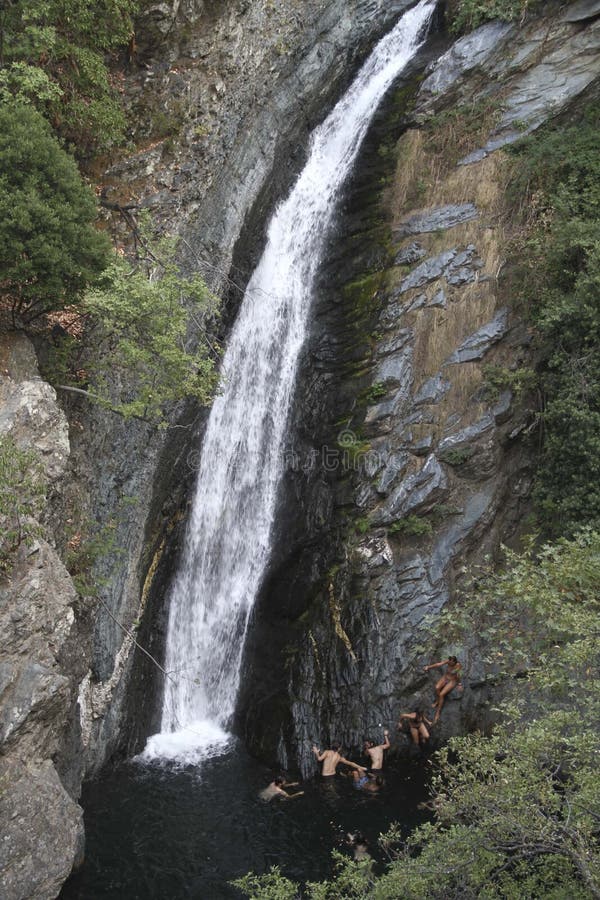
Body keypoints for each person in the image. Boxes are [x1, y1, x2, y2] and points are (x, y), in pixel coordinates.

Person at [424, 655, 462, 723]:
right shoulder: (448, 661)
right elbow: (438, 664)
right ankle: (438, 701)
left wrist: (459, 684)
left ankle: (438, 712)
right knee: (437, 687)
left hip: (452, 681)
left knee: (441, 694)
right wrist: (428, 667)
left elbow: (458, 675)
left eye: (451, 662)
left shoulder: (458, 665)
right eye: (449, 661)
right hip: (445, 677)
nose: (449, 663)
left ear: (454, 662)